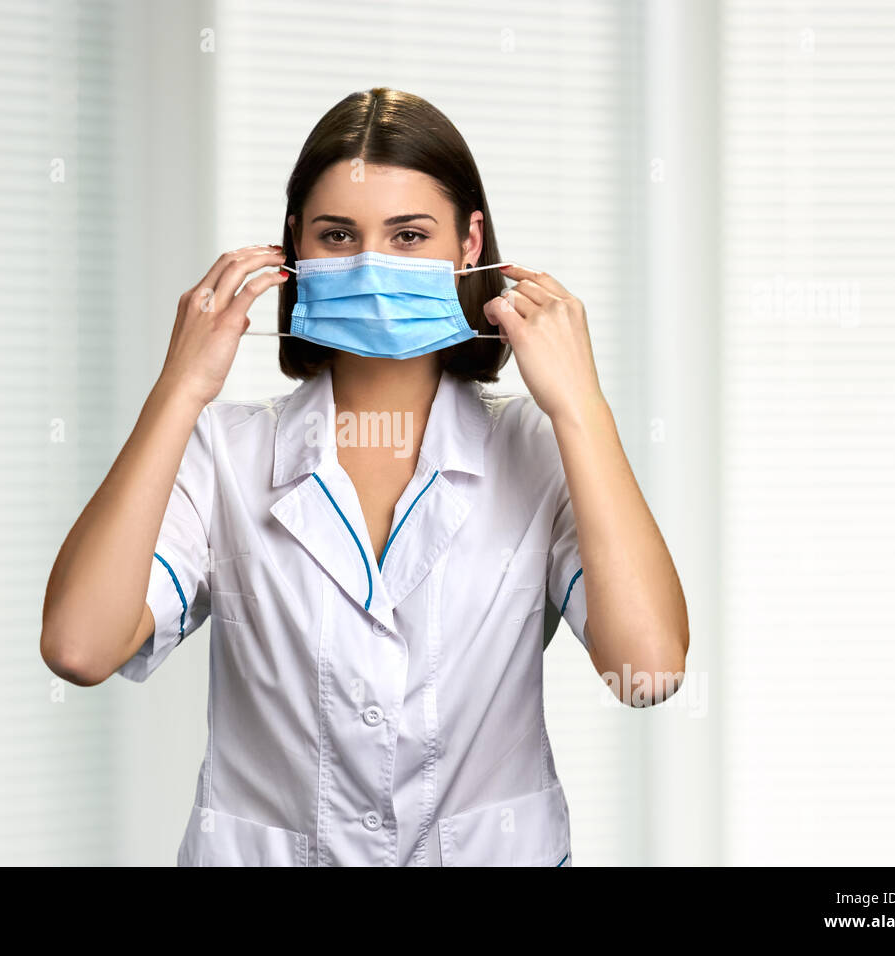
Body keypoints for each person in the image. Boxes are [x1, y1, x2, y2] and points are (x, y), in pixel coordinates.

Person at [41, 87, 688, 866]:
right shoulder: (224, 452)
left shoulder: (538, 448)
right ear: (294, 249)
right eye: (339, 235)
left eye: (409, 235)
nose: (373, 266)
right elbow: (79, 648)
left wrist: (581, 406)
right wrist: (178, 389)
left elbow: (648, 670)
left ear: (468, 242)